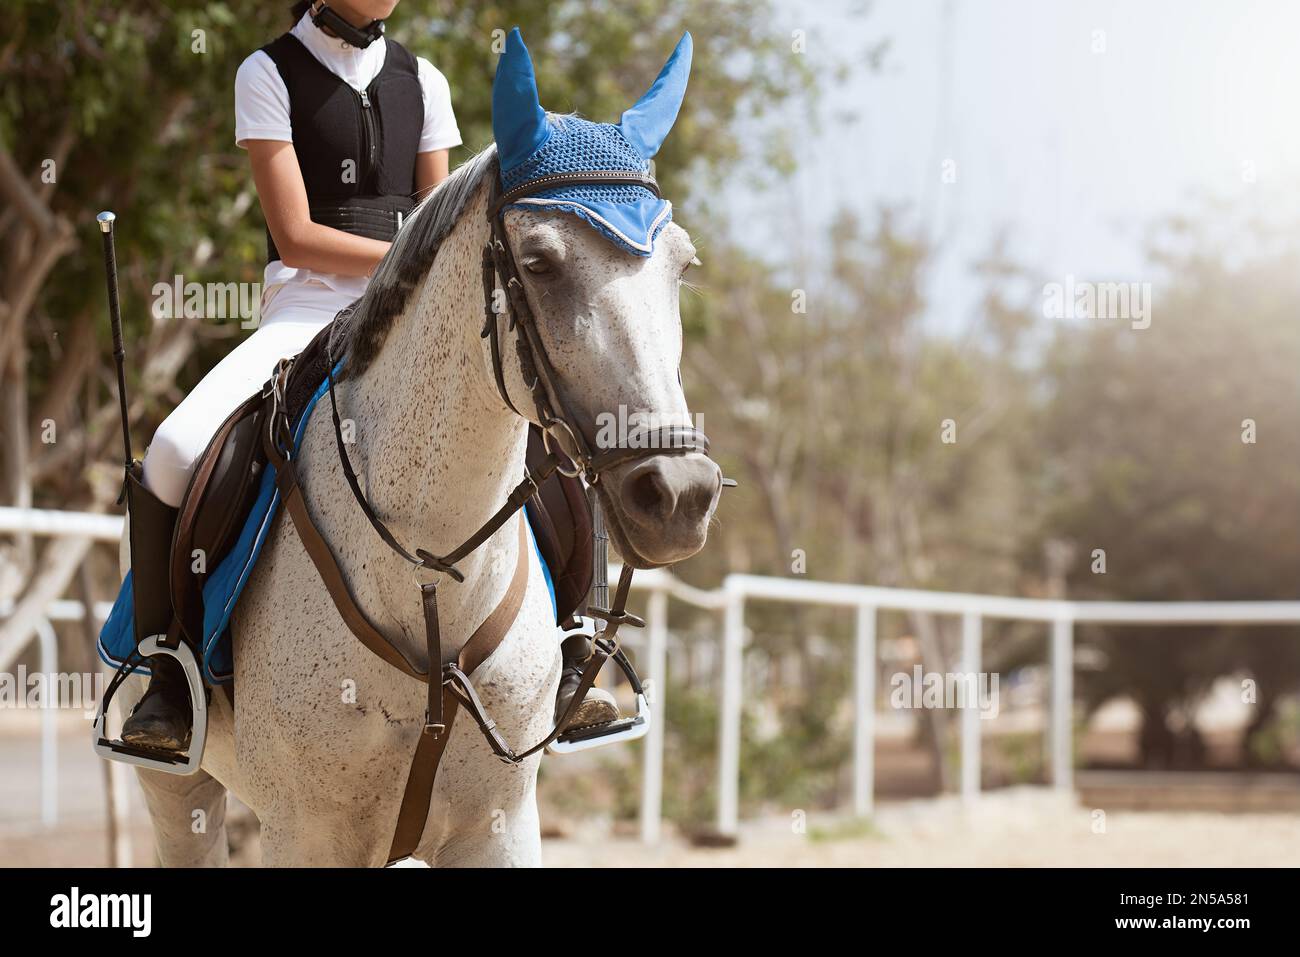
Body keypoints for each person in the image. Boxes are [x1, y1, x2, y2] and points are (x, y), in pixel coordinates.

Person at [122, 1, 620, 751]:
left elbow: (439, 214)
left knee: (552, 424)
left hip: (419, 320)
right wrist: (413, 260)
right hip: (306, 310)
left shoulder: (426, 80)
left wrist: (426, 273)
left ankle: (580, 648)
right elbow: (296, 234)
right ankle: (168, 674)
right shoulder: (266, 73)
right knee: (172, 447)